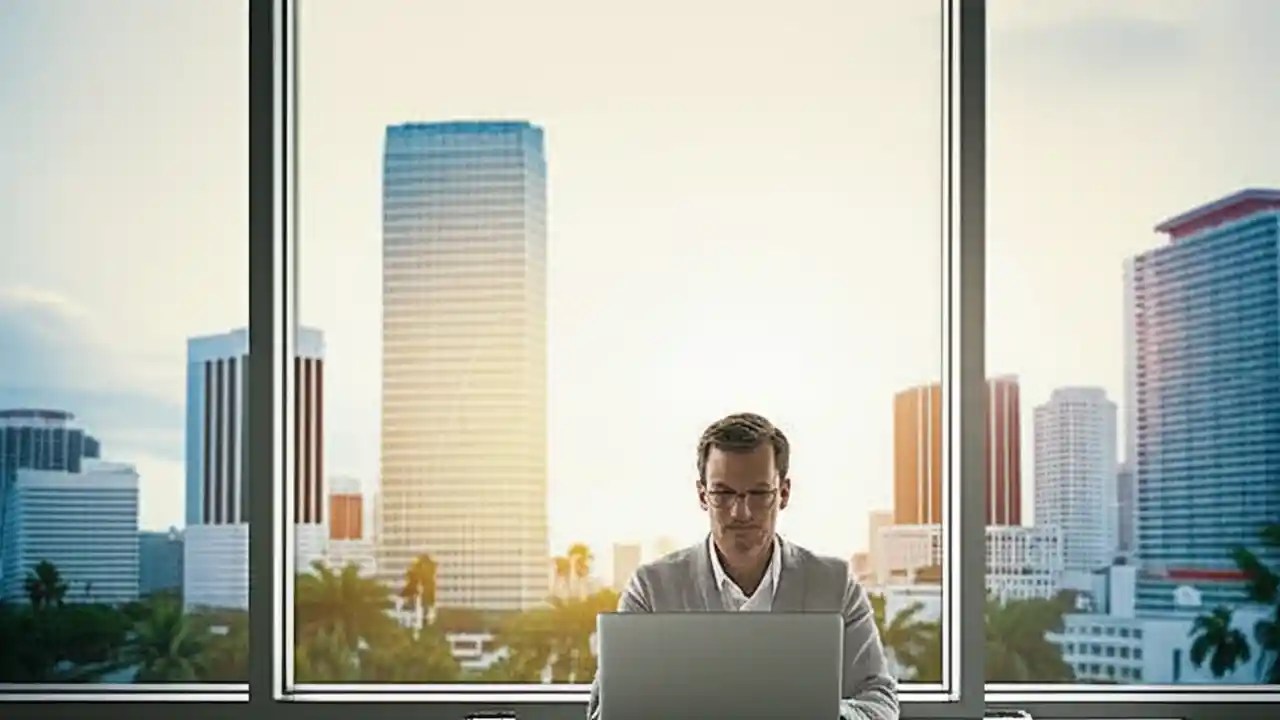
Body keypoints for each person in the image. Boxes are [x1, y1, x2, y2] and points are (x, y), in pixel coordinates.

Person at [587, 412, 899, 719]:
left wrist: (827, 714)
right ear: (702, 495)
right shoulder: (651, 589)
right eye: (723, 493)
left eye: (759, 494)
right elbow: (605, 710)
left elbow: (880, 701)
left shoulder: (835, 584)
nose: (741, 512)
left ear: (784, 494)